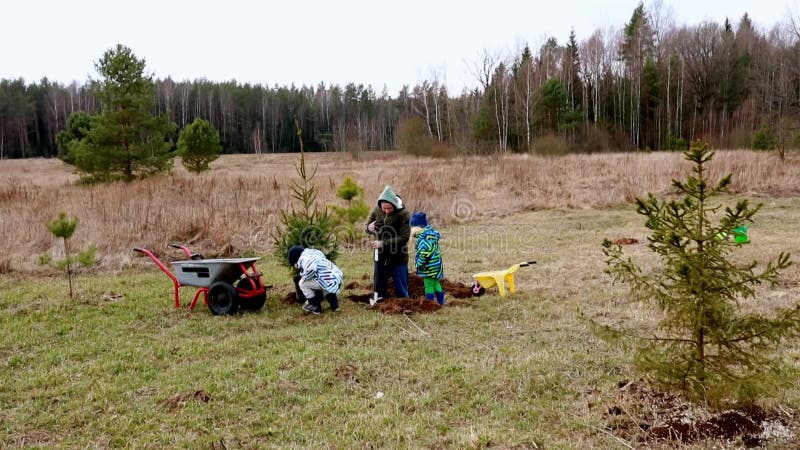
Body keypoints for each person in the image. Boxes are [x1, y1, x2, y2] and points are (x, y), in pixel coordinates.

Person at [366, 185, 410, 299]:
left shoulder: (403, 214)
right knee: (379, 281)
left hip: (398, 255)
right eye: (383, 208)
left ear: (394, 205)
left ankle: (404, 301)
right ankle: (380, 299)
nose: (386, 211)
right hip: (380, 255)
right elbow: (368, 225)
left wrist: (383, 243)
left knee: (401, 287)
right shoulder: (377, 210)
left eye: (389, 208)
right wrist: (368, 227)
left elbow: (404, 237)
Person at [287, 245, 343, 315]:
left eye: (293, 265)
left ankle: (315, 307)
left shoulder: (303, 259)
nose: (295, 267)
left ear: (295, 259)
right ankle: (335, 306)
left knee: (302, 283)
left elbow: (311, 269)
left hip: (326, 278)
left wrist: (306, 277)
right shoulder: (314, 252)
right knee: (324, 284)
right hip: (336, 276)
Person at [409, 212, 445, 305]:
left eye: (412, 227)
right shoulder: (429, 235)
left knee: (428, 285)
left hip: (429, 268)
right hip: (436, 266)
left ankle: (429, 303)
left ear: (418, 228)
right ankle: (441, 302)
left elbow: (425, 255)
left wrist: (419, 264)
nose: (411, 230)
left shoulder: (424, 239)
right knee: (436, 283)